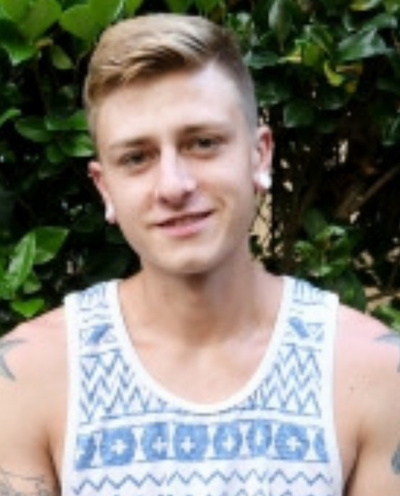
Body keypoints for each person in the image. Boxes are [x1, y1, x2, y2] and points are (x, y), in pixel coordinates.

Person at [0, 13, 399, 496]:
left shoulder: (372, 373)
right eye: (136, 157)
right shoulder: (28, 379)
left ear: (259, 154)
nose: (173, 186)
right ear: (105, 188)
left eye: (203, 143)